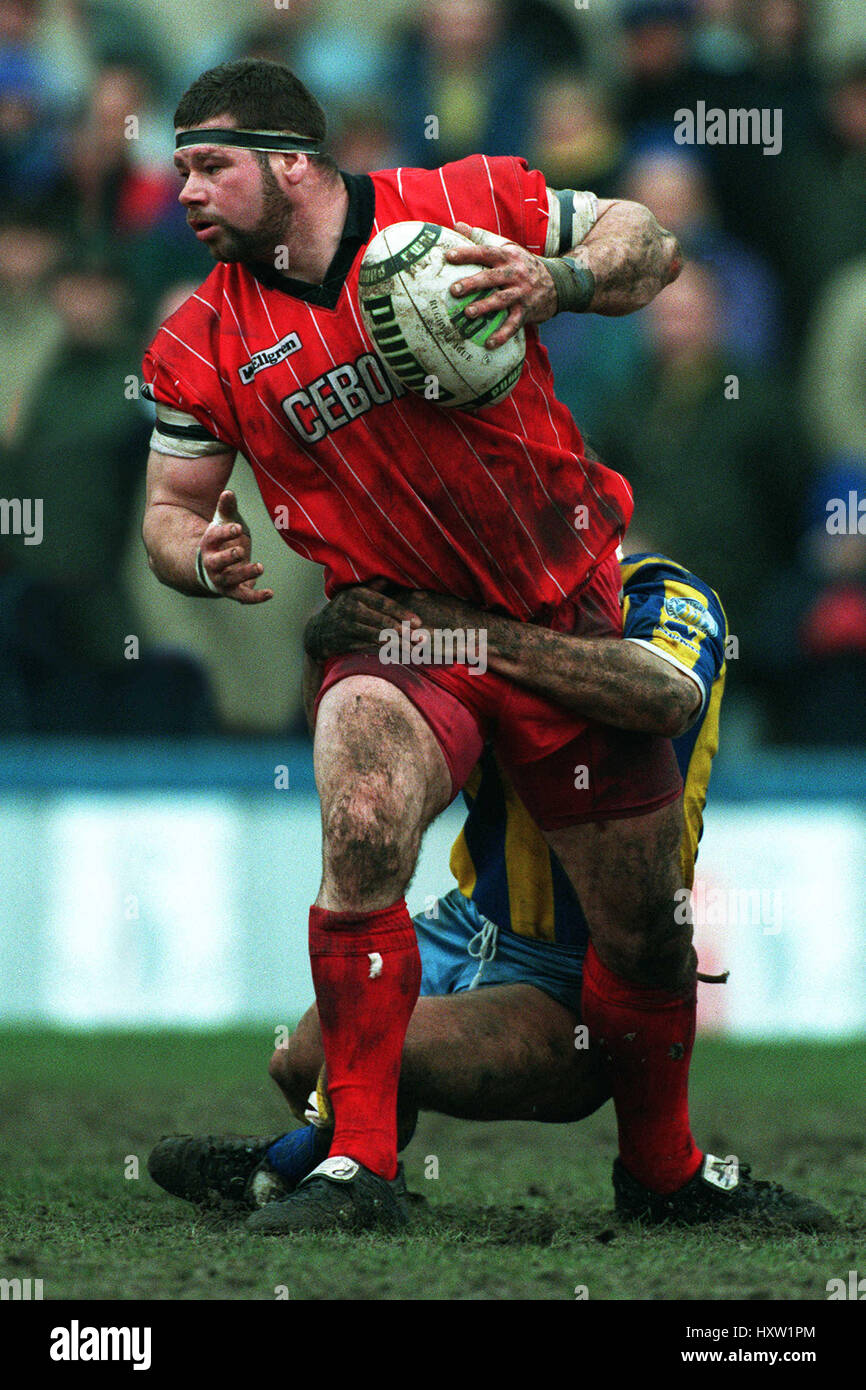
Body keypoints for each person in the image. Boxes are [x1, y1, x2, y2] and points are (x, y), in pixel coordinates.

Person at [141, 56, 732, 1235]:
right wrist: (194, 553)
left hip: (559, 610)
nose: (187, 193)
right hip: (398, 629)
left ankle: (661, 1174)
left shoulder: (457, 202)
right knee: (360, 816)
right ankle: (359, 1165)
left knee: (644, 937)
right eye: (178, 171)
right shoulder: (200, 336)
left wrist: (556, 278)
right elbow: (169, 505)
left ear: (288, 161)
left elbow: (649, 242)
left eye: (209, 167)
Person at [147, 552, 834, 1232]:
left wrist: (467, 635)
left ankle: (296, 1164)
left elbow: (663, 694)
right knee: (296, 1062)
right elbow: (352, 751)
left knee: (353, 1054)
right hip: (464, 925)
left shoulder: (658, 588)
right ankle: (333, 1162)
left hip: (577, 974)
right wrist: (326, 653)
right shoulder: (454, 600)